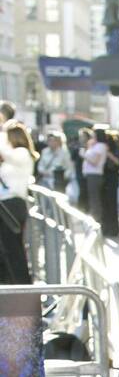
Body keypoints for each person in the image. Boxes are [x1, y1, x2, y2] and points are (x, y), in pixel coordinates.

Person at [0, 120, 37, 284]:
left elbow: (6, 153)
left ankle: (22, 286)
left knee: (13, 249)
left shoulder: (21, 153)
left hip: (13, 205)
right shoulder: (14, 156)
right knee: (8, 248)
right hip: (7, 204)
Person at [101, 130, 119, 240]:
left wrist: (109, 154)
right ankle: (105, 228)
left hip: (112, 178)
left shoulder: (116, 150)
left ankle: (114, 230)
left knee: (112, 204)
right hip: (104, 178)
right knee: (105, 205)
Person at [82, 128, 108, 224]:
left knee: (95, 200)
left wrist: (85, 155)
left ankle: (97, 221)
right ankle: (95, 219)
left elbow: (95, 162)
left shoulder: (100, 146)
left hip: (95, 175)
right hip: (90, 174)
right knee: (92, 198)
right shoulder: (95, 146)